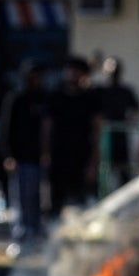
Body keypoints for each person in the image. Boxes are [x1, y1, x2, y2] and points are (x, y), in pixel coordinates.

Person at [44, 56, 100, 217]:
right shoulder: (55, 96)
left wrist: (94, 161)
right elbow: (47, 127)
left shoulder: (90, 98)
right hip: (59, 155)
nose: (73, 75)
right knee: (56, 201)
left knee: (83, 202)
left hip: (82, 155)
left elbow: (97, 130)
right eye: (70, 71)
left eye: (77, 71)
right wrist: (46, 153)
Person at [1, 62, 48, 245]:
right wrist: (8, 155)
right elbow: (6, 129)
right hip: (20, 158)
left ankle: (36, 234)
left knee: (39, 199)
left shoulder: (43, 98)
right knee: (20, 198)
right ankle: (20, 236)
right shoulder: (16, 98)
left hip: (39, 159)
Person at [95, 56, 139, 190]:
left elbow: (136, 109)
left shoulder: (126, 91)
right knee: (103, 171)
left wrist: (131, 120)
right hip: (103, 138)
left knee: (123, 172)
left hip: (120, 136)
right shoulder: (100, 91)